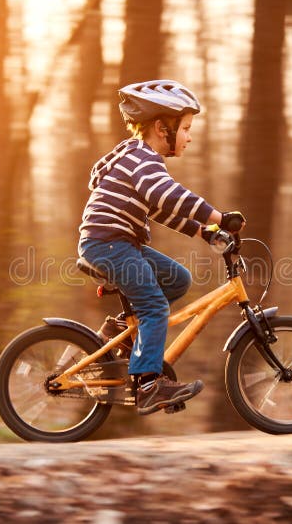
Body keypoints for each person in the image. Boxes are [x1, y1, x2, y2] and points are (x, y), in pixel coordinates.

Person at [77, 79, 244, 415]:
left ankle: (121, 334)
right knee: (154, 307)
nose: (189, 136)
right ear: (160, 127)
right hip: (108, 245)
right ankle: (149, 385)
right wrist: (219, 217)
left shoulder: (138, 160)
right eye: (185, 128)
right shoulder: (144, 160)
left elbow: (160, 209)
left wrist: (205, 231)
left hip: (117, 244)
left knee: (177, 279)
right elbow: (169, 196)